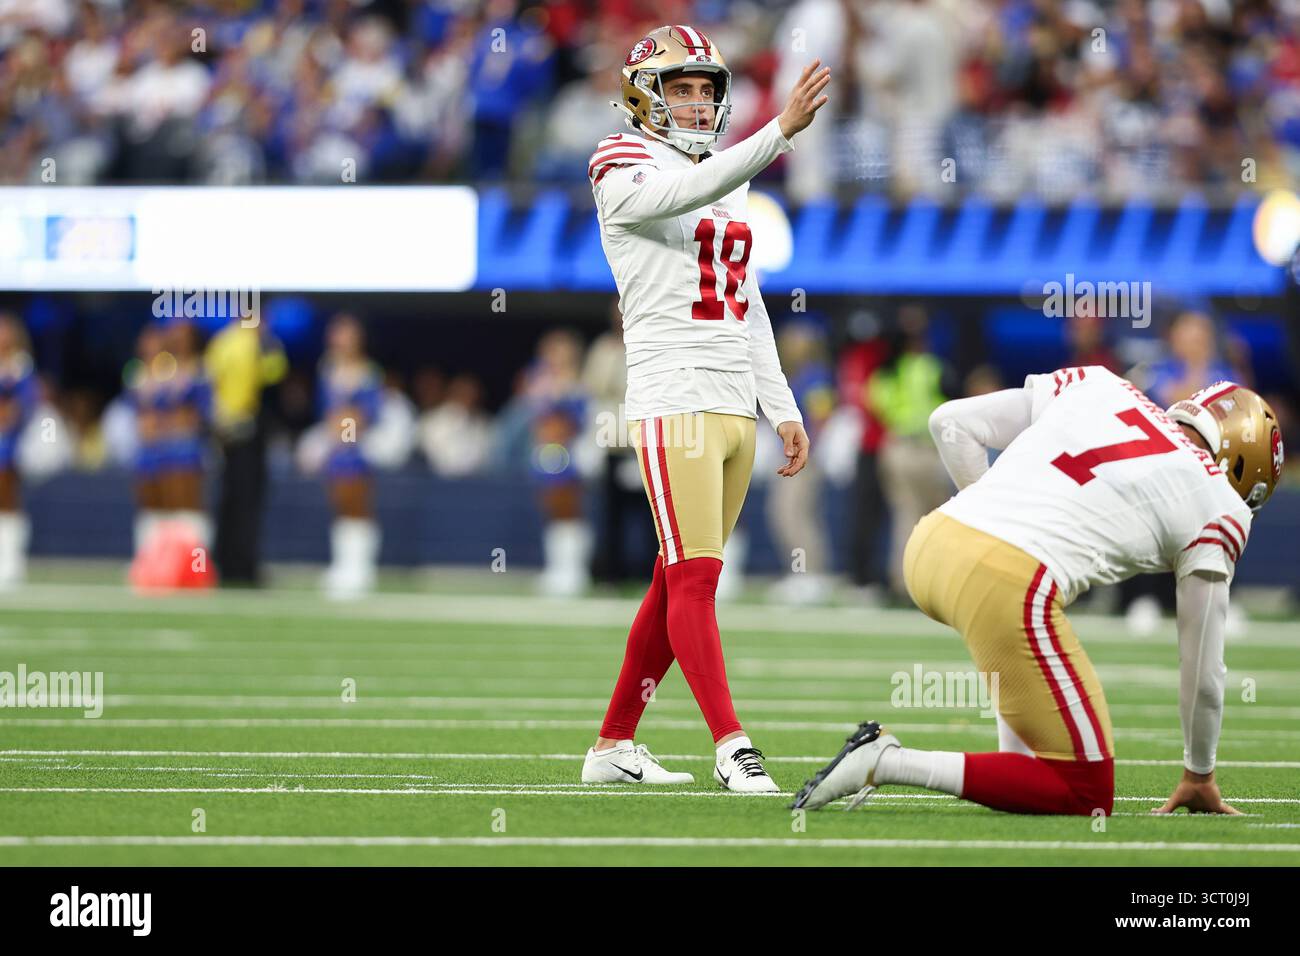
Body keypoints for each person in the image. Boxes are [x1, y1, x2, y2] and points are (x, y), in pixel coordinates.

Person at [793, 368, 1284, 817]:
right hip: (1006, 580)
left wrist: (988, 512)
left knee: (1028, 642)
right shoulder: (1219, 502)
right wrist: (1199, 773)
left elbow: (950, 422)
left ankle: (1014, 767)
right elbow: (1202, 670)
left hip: (929, 546)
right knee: (1087, 792)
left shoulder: (1102, 384)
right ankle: (886, 761)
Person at [579, 25, 827, 792]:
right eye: (680, 88)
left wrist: (781, 405)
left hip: (731, 402)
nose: (694, 102)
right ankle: (731, 744)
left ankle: (613, 745)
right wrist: (777, 135)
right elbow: (677, 194)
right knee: (694, 580)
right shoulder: (618, 158)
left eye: (705, 90)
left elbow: (746, 301)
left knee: (673, 578)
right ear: (643, 96)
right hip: (673, 395)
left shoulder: (723, 175)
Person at [317, 313, 383, 599]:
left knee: (357, 503)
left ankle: (361, 568)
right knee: (339, 503)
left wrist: (351, 425)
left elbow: (370, 412)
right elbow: (326, 409)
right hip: (337, 446)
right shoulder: (328, 370)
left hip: (358, 446)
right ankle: (343, 565)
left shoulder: (368, 372)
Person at [0, 313, 38, 587]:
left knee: (7, 500)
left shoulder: (20, 366)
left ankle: (10, 562)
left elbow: (20, 408)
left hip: (10, 443)